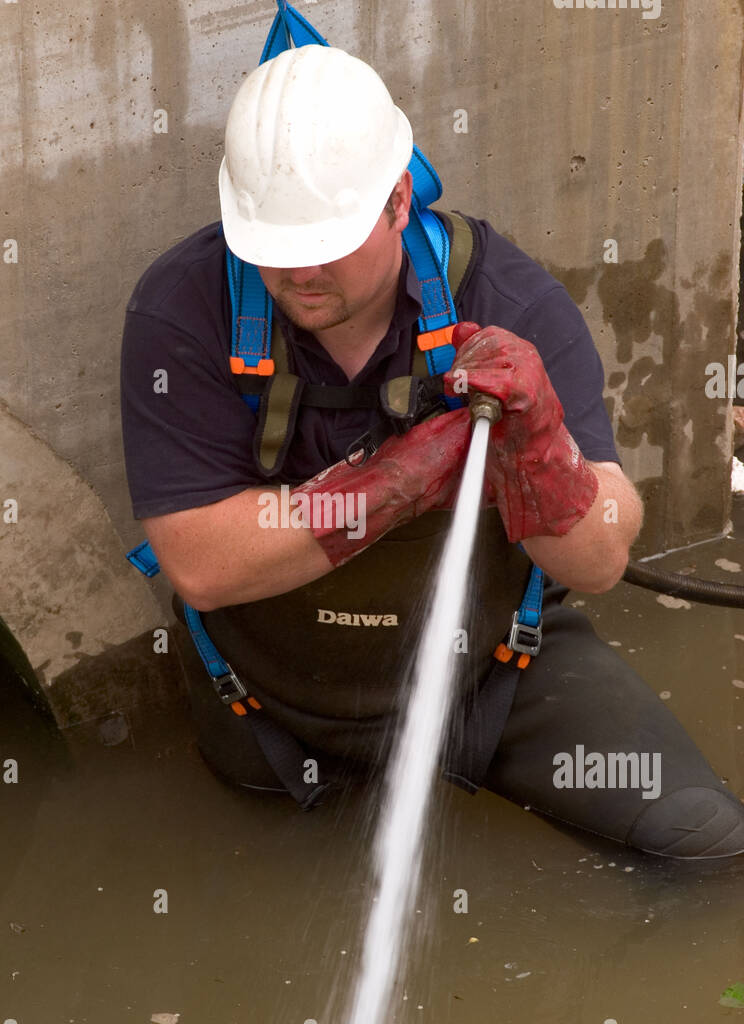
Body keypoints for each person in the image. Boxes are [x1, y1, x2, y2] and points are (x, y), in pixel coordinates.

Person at [121, 43, 744, 859]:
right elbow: (200, 564)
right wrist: (404, 480)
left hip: (490, 674)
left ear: (398, 199)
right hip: (271, 705)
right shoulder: (184, 309)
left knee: (703, 841)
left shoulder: (509, 302)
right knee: (249, 915)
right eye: (274, 245)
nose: (301, 271)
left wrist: (541, 447)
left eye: (331, 241)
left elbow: (597, 560)